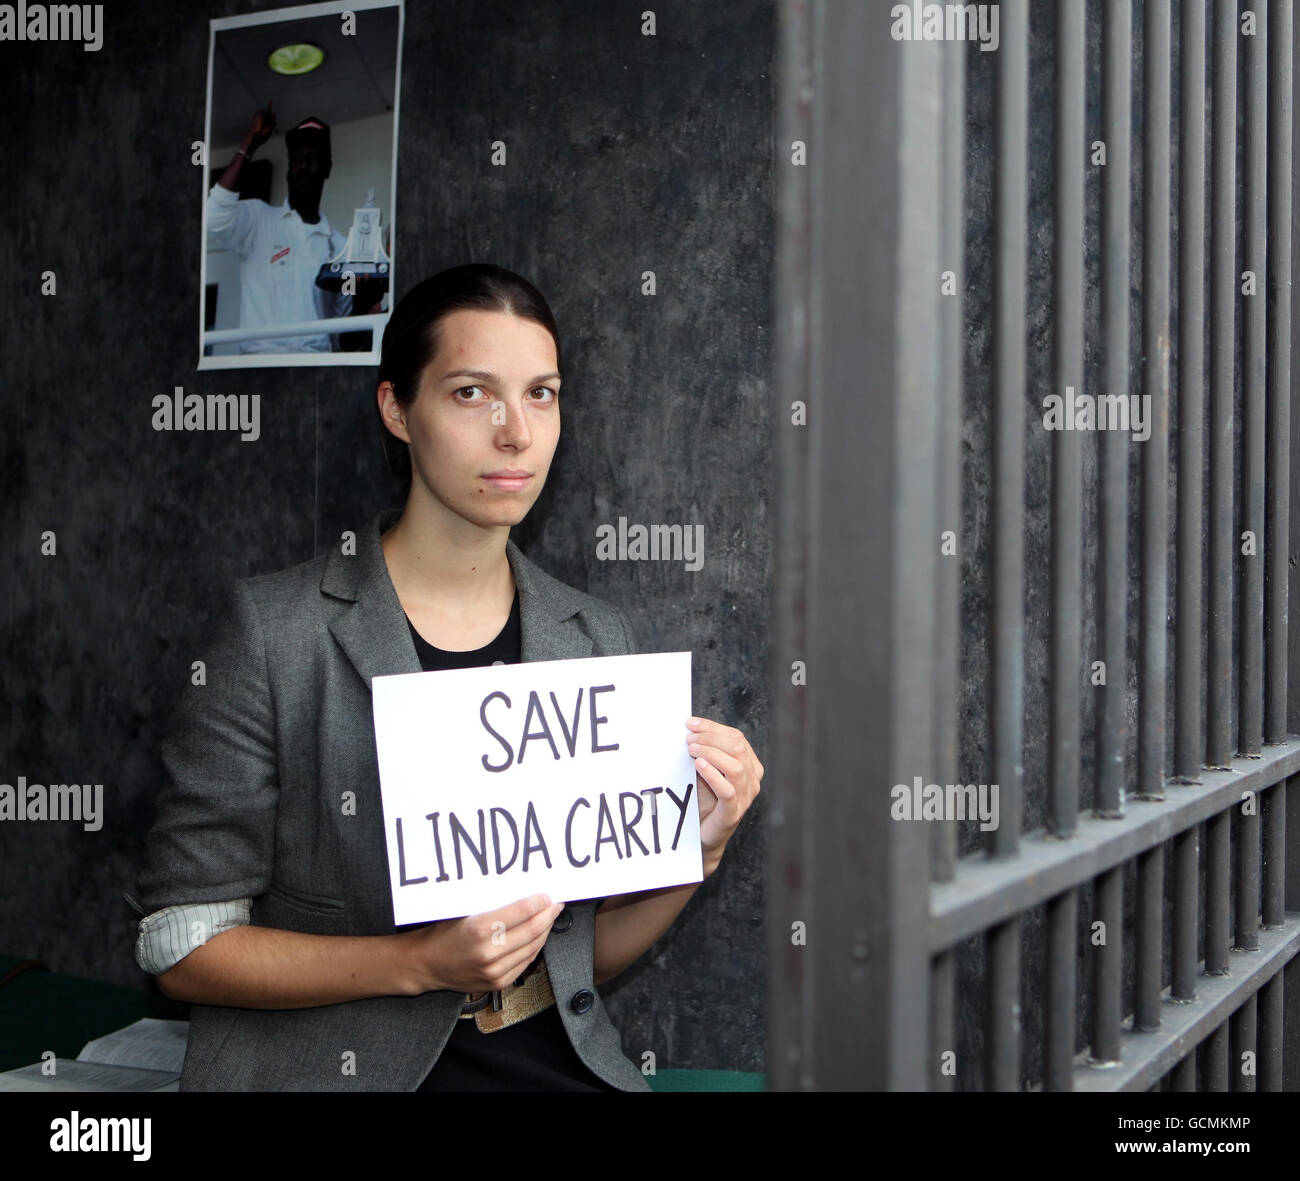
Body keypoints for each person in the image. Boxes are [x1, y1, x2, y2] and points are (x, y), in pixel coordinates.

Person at [129, 264, 764, 1090]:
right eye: (472, 393)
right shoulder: (273, 634)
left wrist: (700, 850)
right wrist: (419, 961)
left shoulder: (595, 638)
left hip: (554, 1065)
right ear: (397, 410)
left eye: (542, 393)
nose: (516, 433)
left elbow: (577, 960)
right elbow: (182, 944)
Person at [206, 105, 353, 354]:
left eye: (312, 157)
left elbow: (344, 319)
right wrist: (249, 145)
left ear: (327, 168)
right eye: (297, 158)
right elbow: (213, 216)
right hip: (259, 365)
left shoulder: (340, 246)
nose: (304, 165)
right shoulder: (258, 219)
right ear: (289, 169)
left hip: (314, 367)